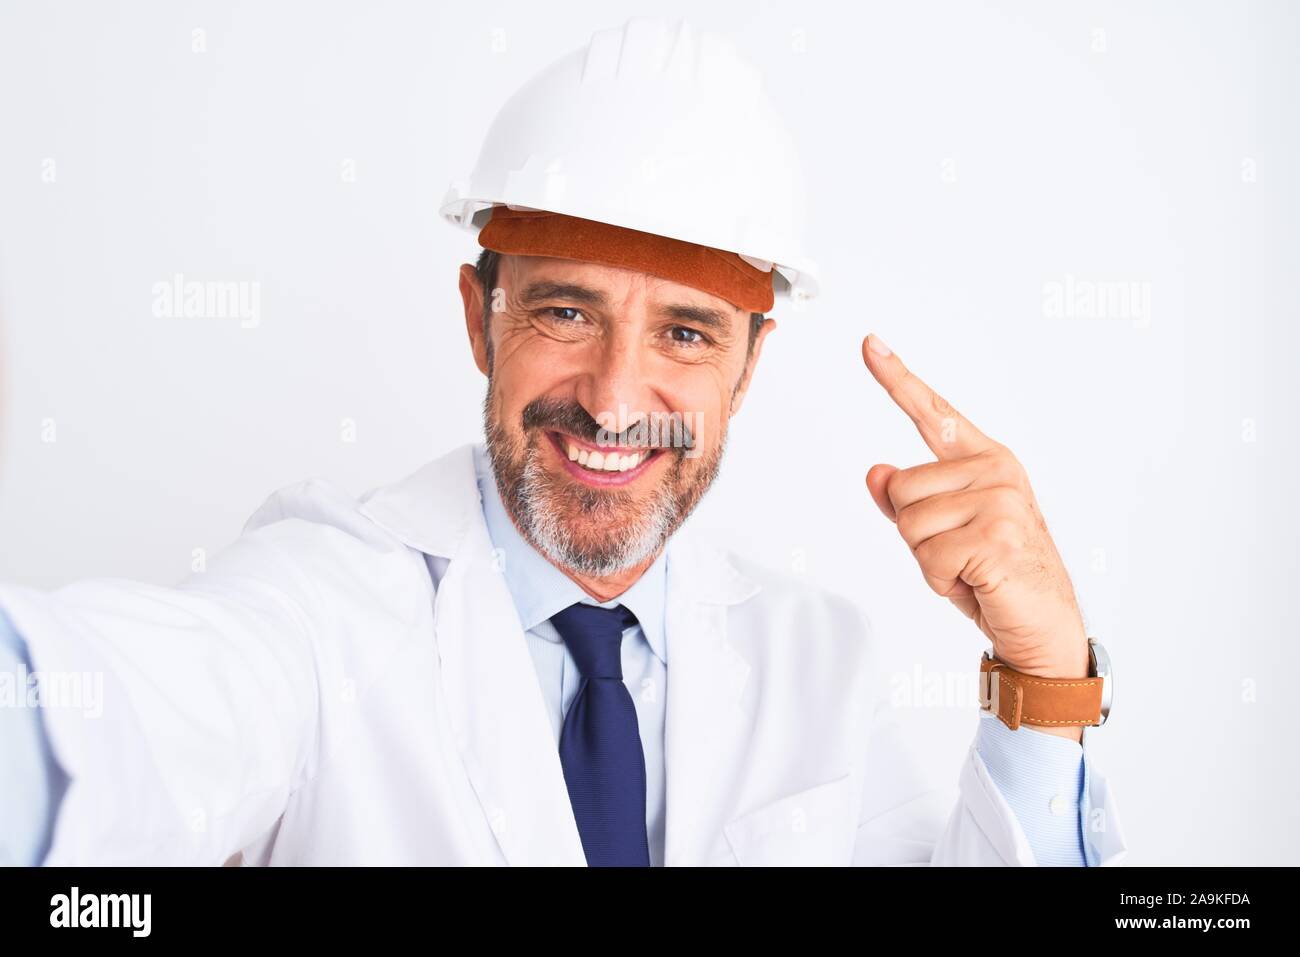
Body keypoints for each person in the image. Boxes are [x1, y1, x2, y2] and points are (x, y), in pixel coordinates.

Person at [0, 16, 1126, 866]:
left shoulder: (814, 661)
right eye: (565, 312)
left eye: (684, 332)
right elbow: (142, 714)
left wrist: (1043, 678)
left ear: (747, 367)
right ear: (477, 320)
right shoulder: (319, 604)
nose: (613, 398)